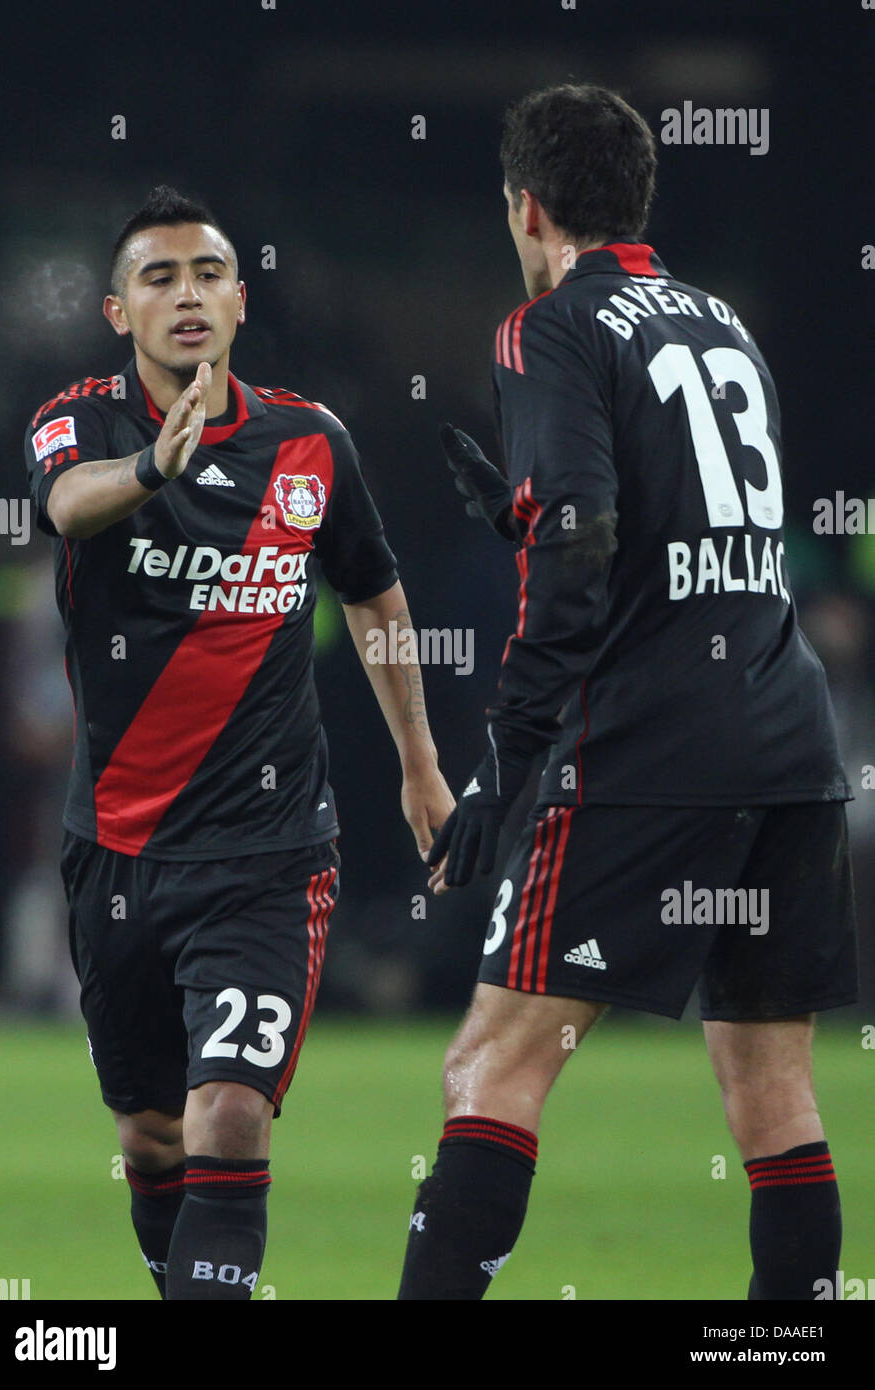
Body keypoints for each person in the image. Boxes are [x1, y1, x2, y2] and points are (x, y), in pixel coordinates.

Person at [398, 84, 857, 1300]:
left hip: (653, 749)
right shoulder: (719, 320)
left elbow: (585, 541)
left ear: (526, 206)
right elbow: (679, 521)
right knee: (770, 1091)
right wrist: (524, 509)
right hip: (791, 743)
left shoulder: (546, 327)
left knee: (489, 1067)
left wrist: (505, 764)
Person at [25, 185, 453, 1300]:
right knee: (151, 1138)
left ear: (240, 300)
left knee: (228, 1113)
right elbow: (70, 506)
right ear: (119, 313)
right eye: (158, 279)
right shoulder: (79, 419)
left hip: (266, 853)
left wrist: (417, 756)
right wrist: (156, 472)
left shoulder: (310, 442)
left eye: (207, 274)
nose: (187, 296)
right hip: (114, 850)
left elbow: (372, 592)